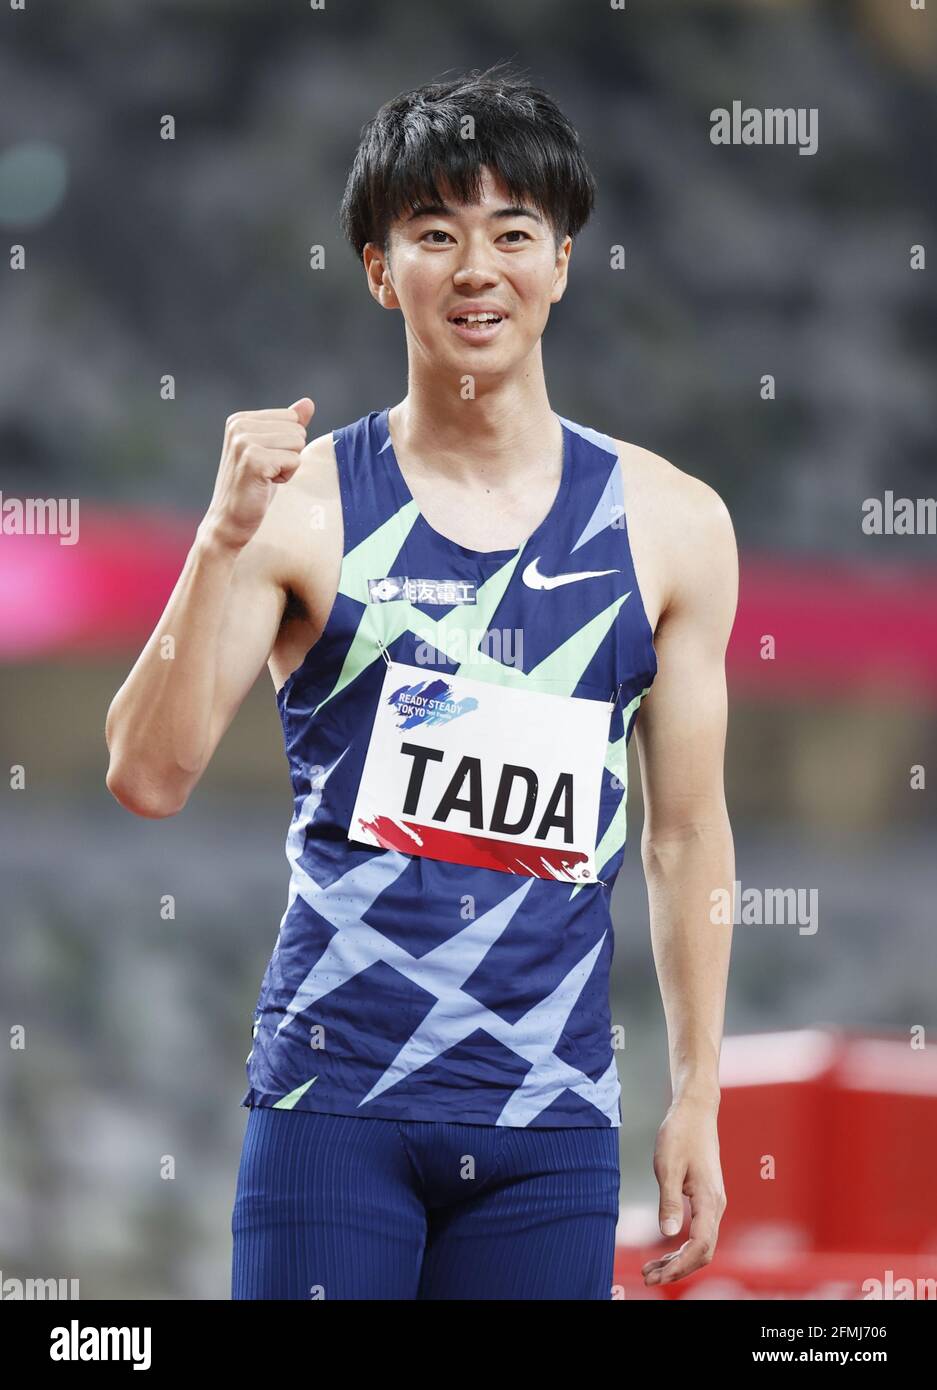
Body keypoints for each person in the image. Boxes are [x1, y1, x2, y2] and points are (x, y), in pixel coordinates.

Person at [105, 61, 737, 1301]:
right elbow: (146, 774)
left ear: (562, 259)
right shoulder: (300, 509)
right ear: (380, 268)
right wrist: (215, 542)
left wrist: (698, 1094)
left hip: (548, 1123)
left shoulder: (672, 527)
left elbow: (686, 837)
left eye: (513, 232)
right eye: (434, 233)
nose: (476, 268)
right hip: (334, 1103)